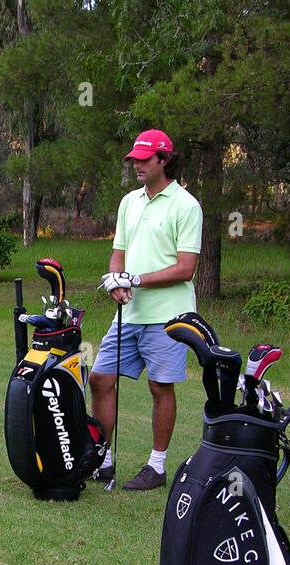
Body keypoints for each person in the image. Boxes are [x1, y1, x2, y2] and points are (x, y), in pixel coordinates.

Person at [91, 129, 202, 490]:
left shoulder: (186, 205)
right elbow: (118, 252)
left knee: (160, 387)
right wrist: (115, 280)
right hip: (130, 312)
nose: (137, 165)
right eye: (134, 159)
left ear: (164, 160)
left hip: (169, 317)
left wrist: (134, 280)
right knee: (100, 378)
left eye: (144, 159)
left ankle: (156, 467)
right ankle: (102, 459)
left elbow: (186, 268)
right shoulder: (129, 202)